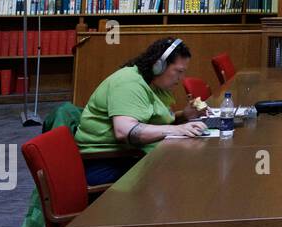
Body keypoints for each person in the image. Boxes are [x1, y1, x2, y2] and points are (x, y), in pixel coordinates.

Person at [74, 37, 207, 184]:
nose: (182, 78)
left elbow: (154, 122)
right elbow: (125, 131)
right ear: (158, 66)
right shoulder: (129, 83)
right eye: (179, 71)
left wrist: (184, 116)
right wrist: (177, 130)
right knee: (179, 176)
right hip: (105, 162)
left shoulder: (154, 84)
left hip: (130, 154)